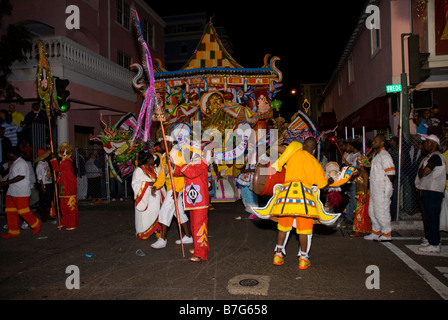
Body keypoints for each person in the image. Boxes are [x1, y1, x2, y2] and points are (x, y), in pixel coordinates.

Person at [269, 138, 333, 270]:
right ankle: (303, 259)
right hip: (304, 200)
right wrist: (331, 180)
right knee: (304, 230)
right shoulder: (315, 163)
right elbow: (323, 185)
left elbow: (276, 149)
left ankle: (278, 254)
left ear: (303, 146)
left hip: (287, 197)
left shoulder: (293, 153)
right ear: (314, 150)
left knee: (283, 227)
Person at [151, 139, 192, 248]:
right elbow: (162, 175)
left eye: (162, 144)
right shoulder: (165, 157)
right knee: (179, 214)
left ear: (168, 143)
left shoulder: (176, 154)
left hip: (175, 189)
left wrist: (177, 190)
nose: (160, 146)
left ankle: (163, 240)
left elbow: (181, 171)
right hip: (171, 188)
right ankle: (188, 236)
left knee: (164, 211)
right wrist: (156, 185)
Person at [174, 141, 211, 262]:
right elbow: (179, 171)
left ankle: (201, 254)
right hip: (192, 201)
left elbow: (191, 173)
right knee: (195, 226)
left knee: (199, 226)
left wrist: (182, 165)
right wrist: (172, 166)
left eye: (187, 150)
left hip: (200, 201)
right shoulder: (191, 162)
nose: (185, 152)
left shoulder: (202, 162)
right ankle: (199, 248)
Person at [415, 134, 446, 253]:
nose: (424, 144)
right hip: (429, 190)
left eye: (427, 142)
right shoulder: (430, 157)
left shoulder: (436, 157)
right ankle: (431, 240)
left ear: (433, 144)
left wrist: (421, 171)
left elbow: (424, 172)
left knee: (432, 218)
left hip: (433, 191)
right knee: (428, 217)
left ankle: (435, 244)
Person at [0, 147, 41, 238]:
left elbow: (21, 176)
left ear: (12, 154)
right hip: (12, 191)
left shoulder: (21, 163)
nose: (7, 155)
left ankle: (36, 223)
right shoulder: (14, 163)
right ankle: (13, 231)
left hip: (21, 192)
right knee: (10, 212)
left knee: (23, 211)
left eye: (8, 154)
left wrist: (6, 182)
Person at [364, 134, 396, 242]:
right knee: (372, 211)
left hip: (381, 188)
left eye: (375, 141)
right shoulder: (376, 156)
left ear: (382, 143)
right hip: (374, 189)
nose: (373, 143)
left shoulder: (385, 155)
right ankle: (375, 231)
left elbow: (391, 173)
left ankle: (386, 233)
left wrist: (384, 187)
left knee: (381, 211)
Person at [131, 150, 162, 240]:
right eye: (152, 158)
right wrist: (149, 184)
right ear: (148, 160)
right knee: (145, 215)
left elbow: (160, 179)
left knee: (156, 212)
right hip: (145, 198)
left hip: (155, 197)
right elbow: (135, 184)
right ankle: (144, 231)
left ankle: (157, 230)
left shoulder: (154, 169)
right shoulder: (138, 171)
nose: (153, 160)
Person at [50, 142, 79, 230]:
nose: (63, 154)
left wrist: (53, 159)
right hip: (63, 188)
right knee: (63, 207)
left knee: (70, 207)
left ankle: (72, 224)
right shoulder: (63, 162)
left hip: (69, 188)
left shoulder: (67, 162)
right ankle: (64, 222)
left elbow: (57, 168)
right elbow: (62, 174)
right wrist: (58, 181)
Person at [351, 155, 372, 237]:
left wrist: (365, 196)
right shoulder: (359, 173)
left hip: (363, 194)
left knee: (360, 213)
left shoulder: (365, 174)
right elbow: (351, 175)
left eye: (358, 163)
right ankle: (364, 229)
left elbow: (366, 185)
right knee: (361, 213)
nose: (357, 165)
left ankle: (358, 230)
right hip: (359, 194)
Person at [35, 149, 54, 222]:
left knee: (49, 200)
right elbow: (39, 177)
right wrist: (43, 187)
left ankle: (48, 215)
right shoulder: (39, 164)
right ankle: (43, 216)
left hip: (49, 183)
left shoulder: (46, 162)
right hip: (43, 184)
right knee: (43, 201)